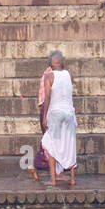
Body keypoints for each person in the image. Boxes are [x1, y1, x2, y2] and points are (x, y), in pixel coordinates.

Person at [40, 50, 77, 188]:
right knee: (70, 146)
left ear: (50, 63)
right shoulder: (69, 74)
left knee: (51, 144)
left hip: (55, 113)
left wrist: (44, 117)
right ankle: (72, 179)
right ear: (62, 62)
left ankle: (53, 180)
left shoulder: (49, 76)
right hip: (69, 114)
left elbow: (48, 97)